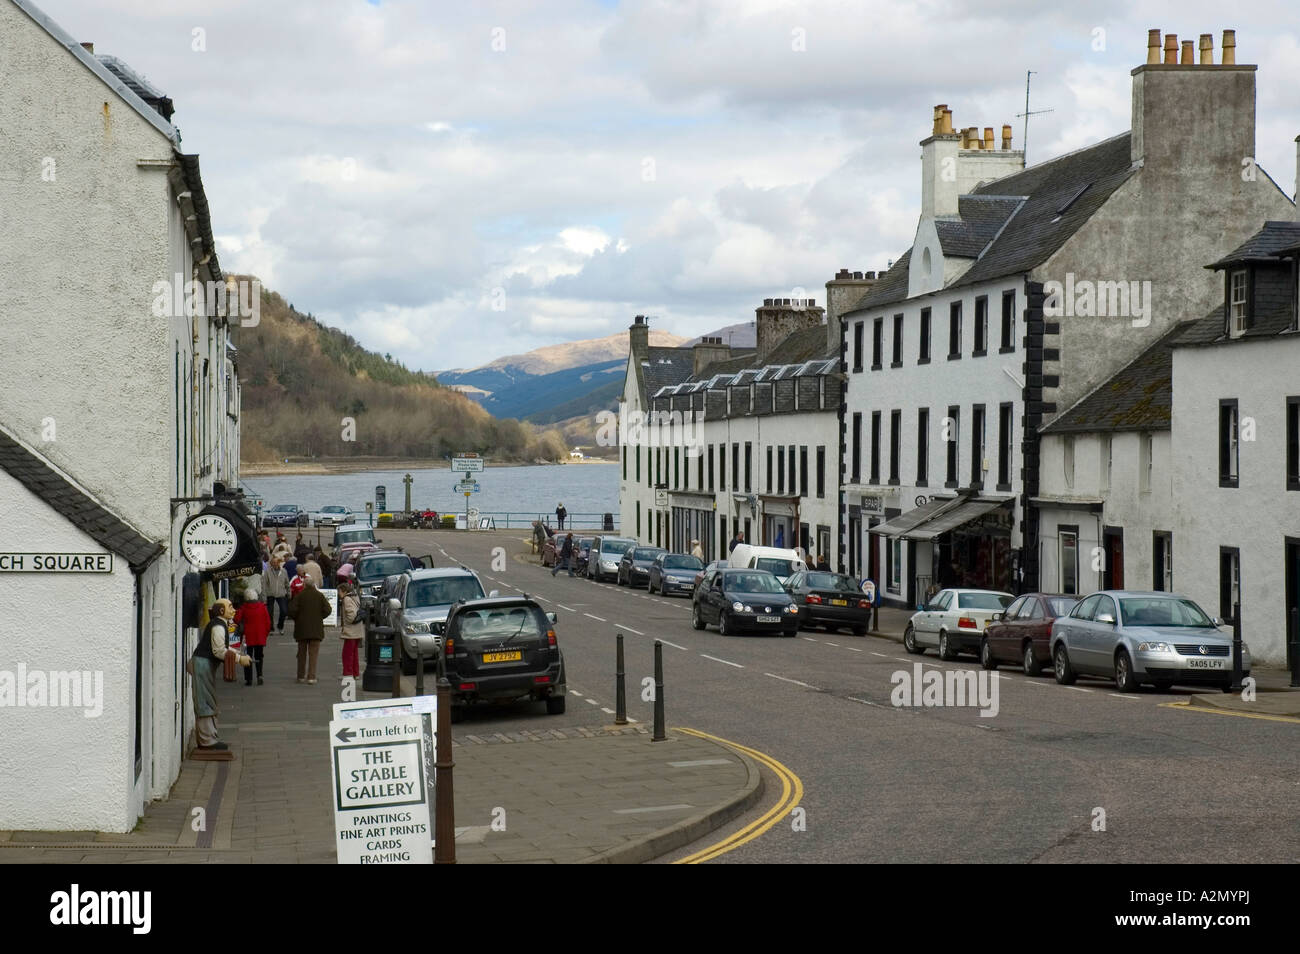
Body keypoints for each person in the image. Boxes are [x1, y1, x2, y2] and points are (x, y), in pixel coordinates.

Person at [190, 599, 251, 750]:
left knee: (208, 699)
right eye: (230, 607)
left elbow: (222, 647)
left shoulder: (220, 624)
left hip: (204, 664)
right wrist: (239, 659)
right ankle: (207, 740)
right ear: (221, 611)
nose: (234, 610)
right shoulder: (218, 626)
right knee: (206, 700)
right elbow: (218, 650)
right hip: (203, 664)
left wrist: (236, 653)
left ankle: (209, 737)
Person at [287, 576, 332, 684]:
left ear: (304, 585)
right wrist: (320, 617)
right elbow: (328, 610)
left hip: (301, 629)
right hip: (316, 630)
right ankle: (311, 677)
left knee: (301, 654)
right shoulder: (319, 595)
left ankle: (300, 676)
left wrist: (297, 618)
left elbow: (291, 610)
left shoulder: (299, 596)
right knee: (313, 655)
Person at [235, 581, 272, 686]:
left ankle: (249, 679)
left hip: (248, 637)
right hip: (260, 636)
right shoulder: (262, 607)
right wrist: (265, 633)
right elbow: (268, 622)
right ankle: (260, 675)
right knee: (259, 656)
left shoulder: (244, 608)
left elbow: (236, 619)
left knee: (248, 656)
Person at [336, 565, 364, 679]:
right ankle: (355, 673)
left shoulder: (347, 599)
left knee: (347, 654)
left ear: (343, 591)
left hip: (351, 631)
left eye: (339, 592)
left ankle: (347, 674)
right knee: (354, 653)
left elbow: (351, 615)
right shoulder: (355, 596)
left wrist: (347, 621)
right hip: (357, 630)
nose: (338, 594)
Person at [262, 557, 289, 633]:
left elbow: (287, 583)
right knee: (269, 612)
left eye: (276, 562)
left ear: (279, 563)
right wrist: (264, 597)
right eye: (273, 563)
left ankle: (280, 626)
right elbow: (263, 584)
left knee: (284, 611)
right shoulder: (267, 572)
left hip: (281, 593)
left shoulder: (283, 571)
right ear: (271, 564)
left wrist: (289, 593)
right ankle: (271, 628)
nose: (274, 564)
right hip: (270, 593)